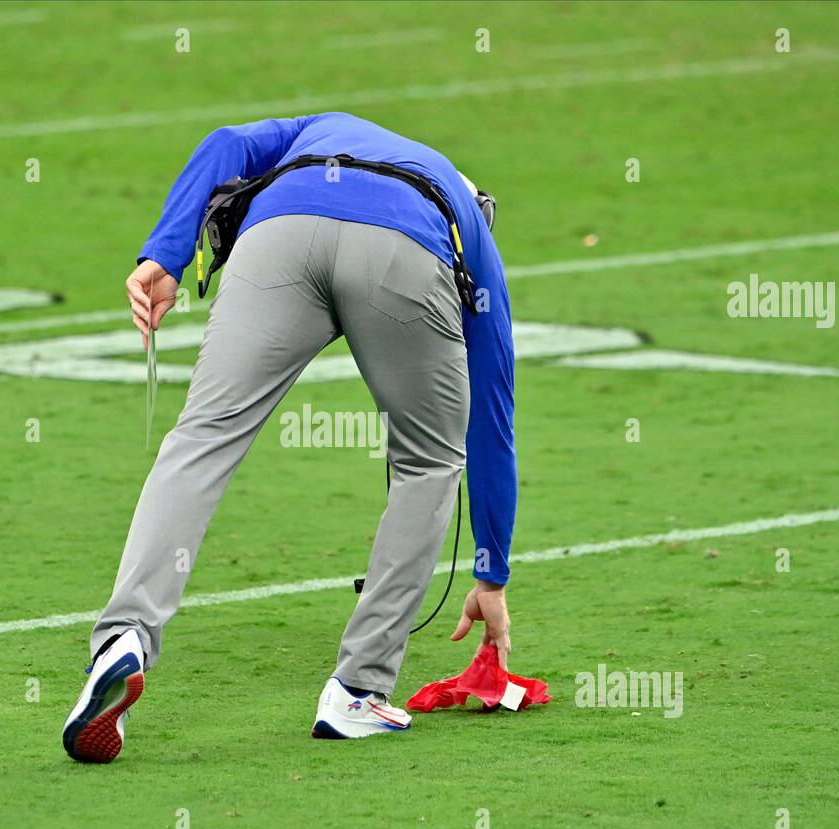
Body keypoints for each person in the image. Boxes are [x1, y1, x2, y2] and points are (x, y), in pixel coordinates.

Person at [63, 112, 516, 762]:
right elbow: (491, 421)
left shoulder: (330, 125)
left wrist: (164, 253)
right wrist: (490, 574)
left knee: (202, 438)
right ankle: (358, 690)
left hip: (279, 231)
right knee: (429, 460)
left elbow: (225, 145)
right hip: (403, 253)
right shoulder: (466, 218)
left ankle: (123, 637)